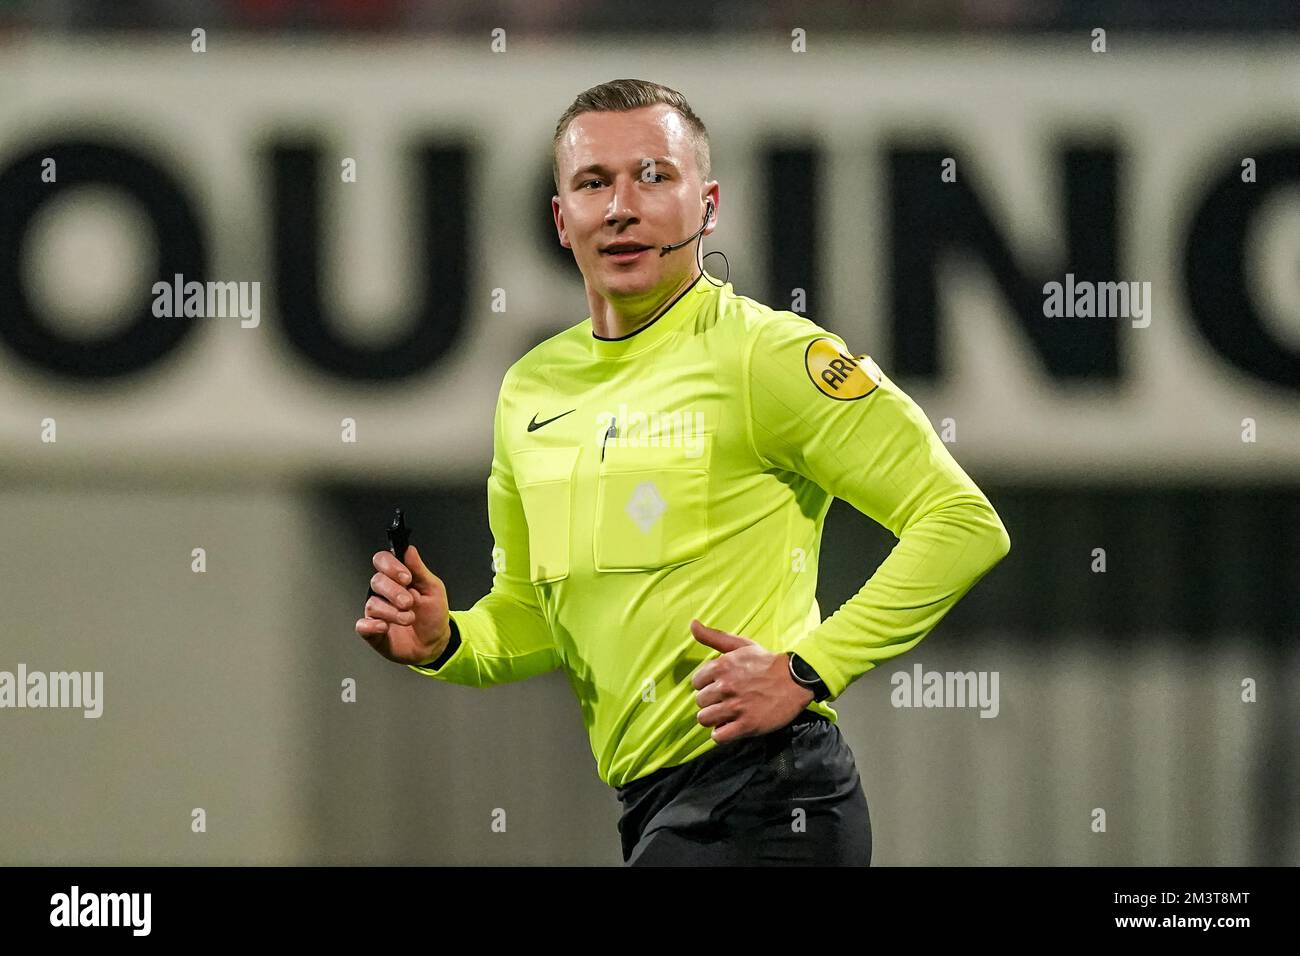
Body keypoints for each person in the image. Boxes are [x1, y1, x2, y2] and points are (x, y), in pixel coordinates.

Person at [354, 78, 1011, 865]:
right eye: (594, 183)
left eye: (654, 176)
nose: (622, 206)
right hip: (656, 810)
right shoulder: (530, 388)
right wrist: (445, 640)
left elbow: (961, 523)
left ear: (708, 204)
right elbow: (533, 615)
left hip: (772, 798)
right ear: (563, 220)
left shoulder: (767, 357)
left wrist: (811, 668)